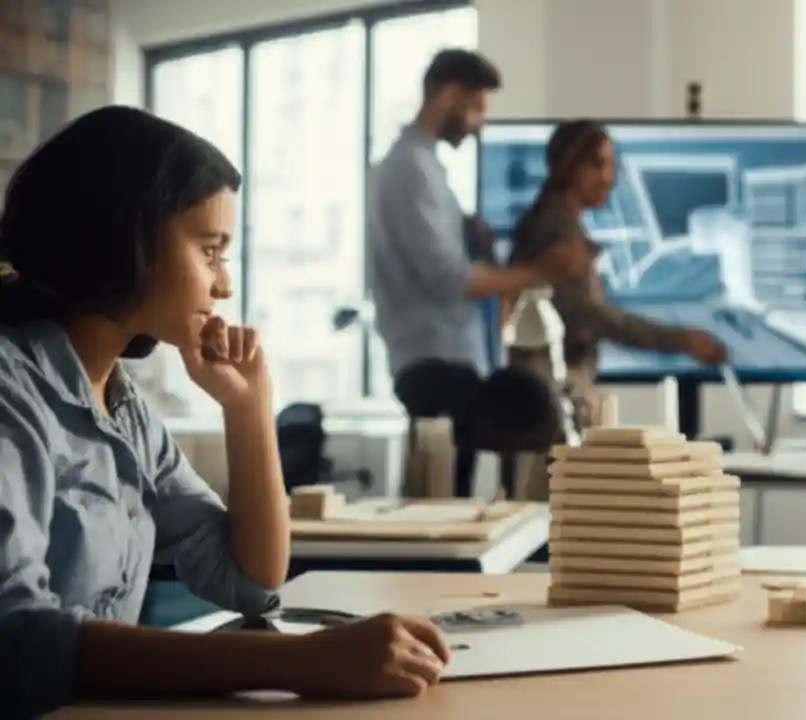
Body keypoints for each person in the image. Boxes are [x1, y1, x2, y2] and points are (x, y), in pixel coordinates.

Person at [0, 107, 450, 716]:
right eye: (210, 251)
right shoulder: (12, 392)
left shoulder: (124, 410)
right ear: (123, 239)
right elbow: (17, 643)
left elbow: (251, 579)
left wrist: (248, 406)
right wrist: (302, 664)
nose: (224, 286)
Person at [368, 49, 585, 497]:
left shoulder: (425, 167)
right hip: (436, 366)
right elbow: (450, 278)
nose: (480, 122)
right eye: (478, 107)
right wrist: (539, 271)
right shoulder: (410, 169)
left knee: (463, 497)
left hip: (451, 360)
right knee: (452, 505)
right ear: (449, 94)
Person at [505, 120, 727, 496]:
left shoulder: (558, 226)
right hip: (557, 394)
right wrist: (682, 340)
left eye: (611, 164)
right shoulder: (556, 234)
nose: (609, 177)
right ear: (568, 166)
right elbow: (593, 316)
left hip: (552, 392)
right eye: (597, 164)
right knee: (554, 518)